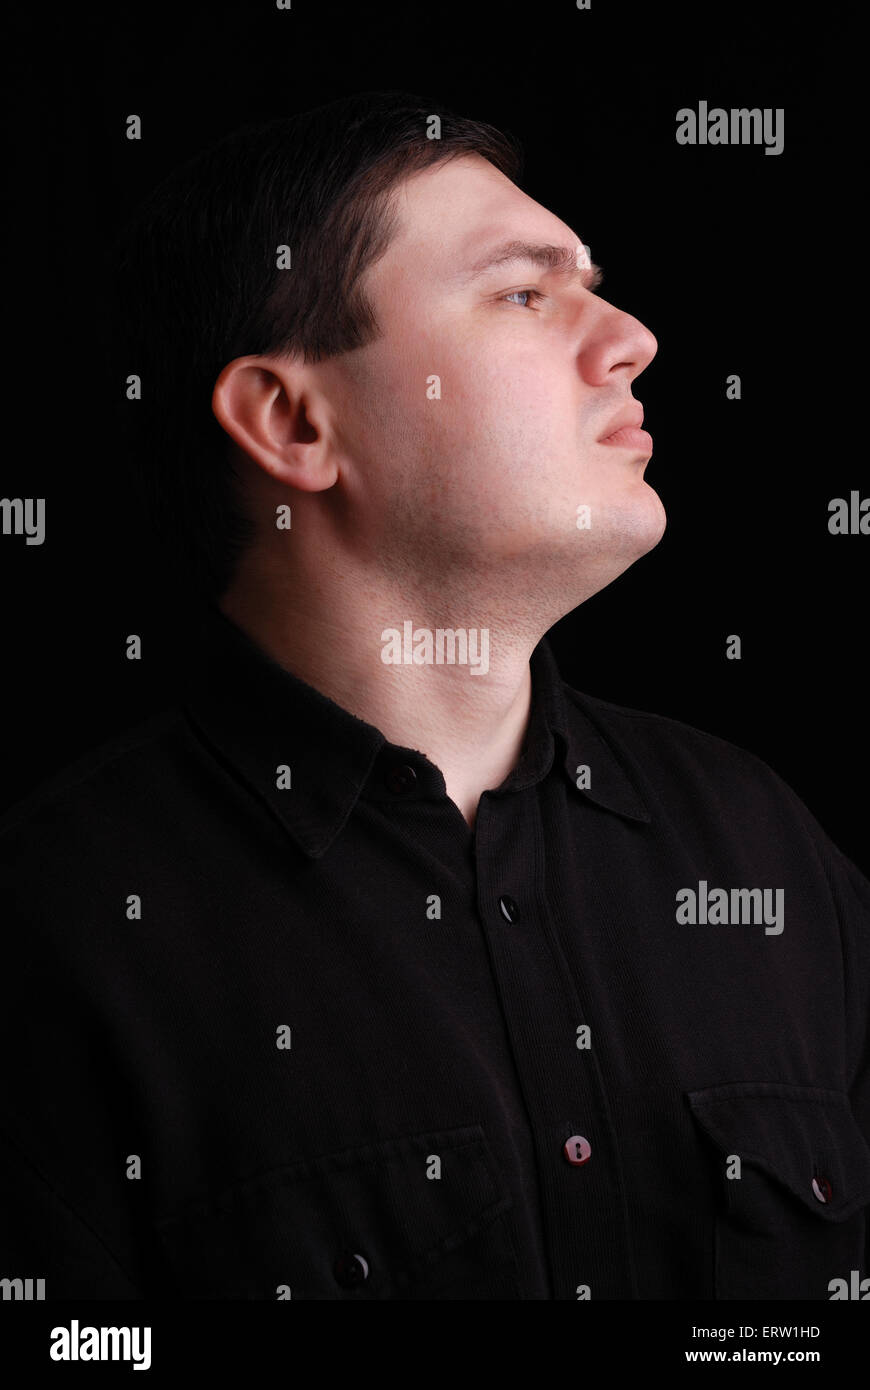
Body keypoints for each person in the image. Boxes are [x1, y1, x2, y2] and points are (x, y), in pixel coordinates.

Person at [1, 91, 868, 1301]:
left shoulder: (766, 847)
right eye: (525, 292)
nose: (630, 337)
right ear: (295, 420)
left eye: (592, 281)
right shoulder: (54, 931)